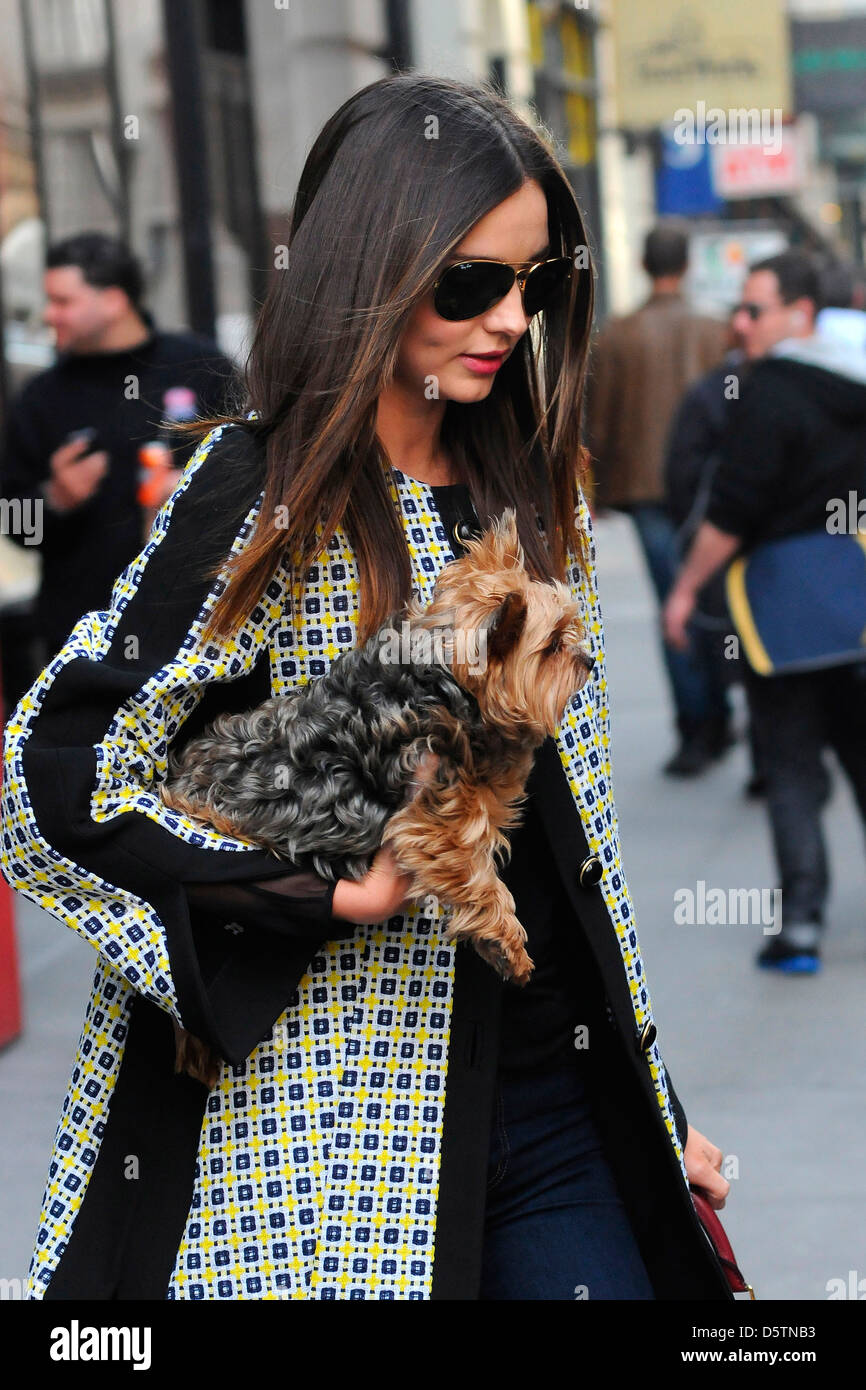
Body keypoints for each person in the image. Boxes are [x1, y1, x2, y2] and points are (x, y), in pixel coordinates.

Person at [2, 75, 732, 1301]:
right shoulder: (259, 492)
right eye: (468, 283)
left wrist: (651, 1109)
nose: (506, 318)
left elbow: (577, 839)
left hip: (554, 1100)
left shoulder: (536, 488)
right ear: (370, 268)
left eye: (533, 283)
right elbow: (55, 772)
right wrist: (315, 894)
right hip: (327, 1127)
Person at [664, 250, 866, 975]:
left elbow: (732, 509)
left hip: (779, 612)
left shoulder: (768, 392)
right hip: (858, 597)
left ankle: (802, 927)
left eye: (755, 308)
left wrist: (686, 588)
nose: (740, 322)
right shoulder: (856, 382)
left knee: (789, 769)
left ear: (800, 314)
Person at [0, 232, 238, 680]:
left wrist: (198, 490)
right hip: (85, 637)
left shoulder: (199, 365)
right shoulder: (41, 399)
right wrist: (55, 499)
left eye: (62, 301)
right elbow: (17, 527)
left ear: (112, 300)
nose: (49, 315)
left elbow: (264, 471)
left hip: (203, 623)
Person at [585, 222, 729, 776]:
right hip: (711, 491)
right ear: (687, 265)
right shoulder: (715, 330)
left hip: (645, 489)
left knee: (674, 605)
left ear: (644, 266)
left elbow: (597, 420)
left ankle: (698, 727)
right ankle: (721, 715)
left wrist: (591, 488)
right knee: (717, 601)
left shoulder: (618, 335)